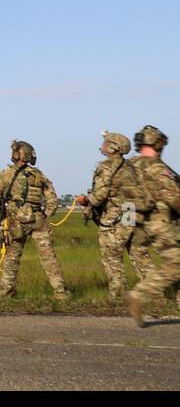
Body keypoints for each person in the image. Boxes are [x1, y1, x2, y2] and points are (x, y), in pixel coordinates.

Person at [75, 131, 153, 300]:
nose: (102, 146)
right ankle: (155, 295)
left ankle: (118, 296)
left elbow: (99, 196)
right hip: (133, 215)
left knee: (112, 256)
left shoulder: (106, 166)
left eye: (106, 142)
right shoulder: (131, 167)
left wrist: (85, 200)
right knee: (139, 255)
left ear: (114, 147)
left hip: (115, 217)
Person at [0, 140, 67, 300]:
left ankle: (6, 293)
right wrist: (46, 214)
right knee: (48, 257)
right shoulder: (38, 175)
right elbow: (52, 199)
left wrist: (1, 211)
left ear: (16, 155)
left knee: (12, 256)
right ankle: (60, 292)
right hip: (39, 220)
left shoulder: (5, 174)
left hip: (15, 221)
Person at [126, 126, 180, 327]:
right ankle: (139, 295)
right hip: (162, 223)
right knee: (176, 264)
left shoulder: (130, 165)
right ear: (158, 143)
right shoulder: (156, 168)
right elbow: (174, 198)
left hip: (139, 221)